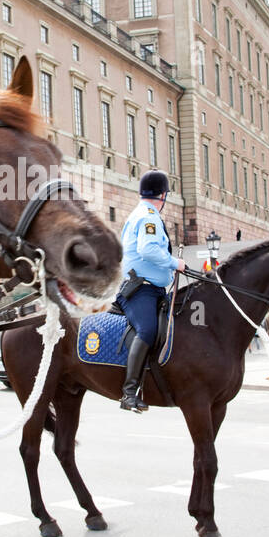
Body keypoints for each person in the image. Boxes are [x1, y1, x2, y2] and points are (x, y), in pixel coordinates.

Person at [116, 170, 186, 413]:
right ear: (163, 195)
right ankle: (129, 392)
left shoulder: (140, 214)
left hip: (152, 289)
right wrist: (174, 263)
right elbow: (148, 250)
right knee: (148, 329)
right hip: (141, 290)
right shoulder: (149, 217)